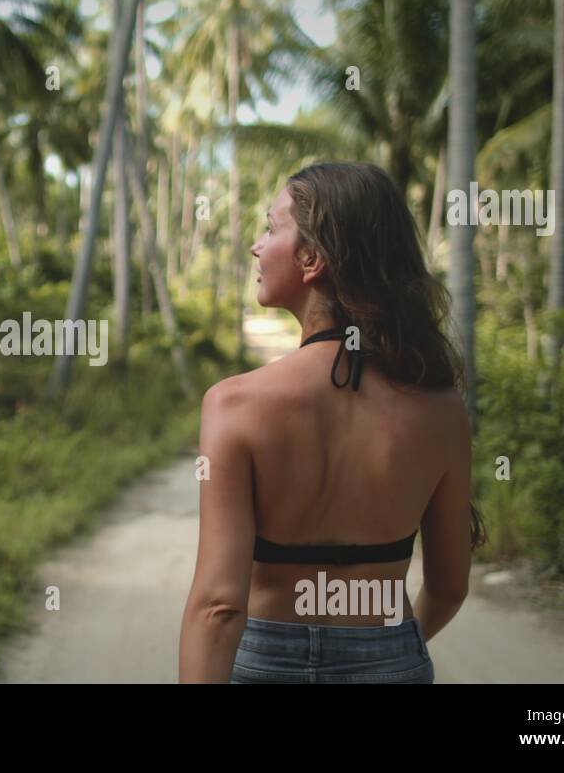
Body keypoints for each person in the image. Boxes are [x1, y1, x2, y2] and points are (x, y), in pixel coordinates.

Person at [178, 160, 486, 684]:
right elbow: (449, 588)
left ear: (312, 257)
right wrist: (383, 652)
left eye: (271, 228)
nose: (256, 246)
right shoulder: (441, 408)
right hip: (390, 657)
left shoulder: (234, 405)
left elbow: (218, 607)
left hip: (265, 663)